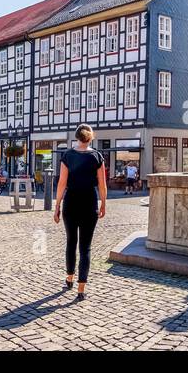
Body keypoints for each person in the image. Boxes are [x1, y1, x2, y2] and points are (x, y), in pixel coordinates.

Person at [54, 124, 108, 302]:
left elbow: (62, 183)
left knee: (71, 242)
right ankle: (81, 288)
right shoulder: (97, 156)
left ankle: (69, 277)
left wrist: (57, 205)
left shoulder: (68, 156)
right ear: (91, 137)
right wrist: (103, 204)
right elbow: (102, 185)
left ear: (76, 137)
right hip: (89, 203)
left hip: (71, 202)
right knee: (86, 247)